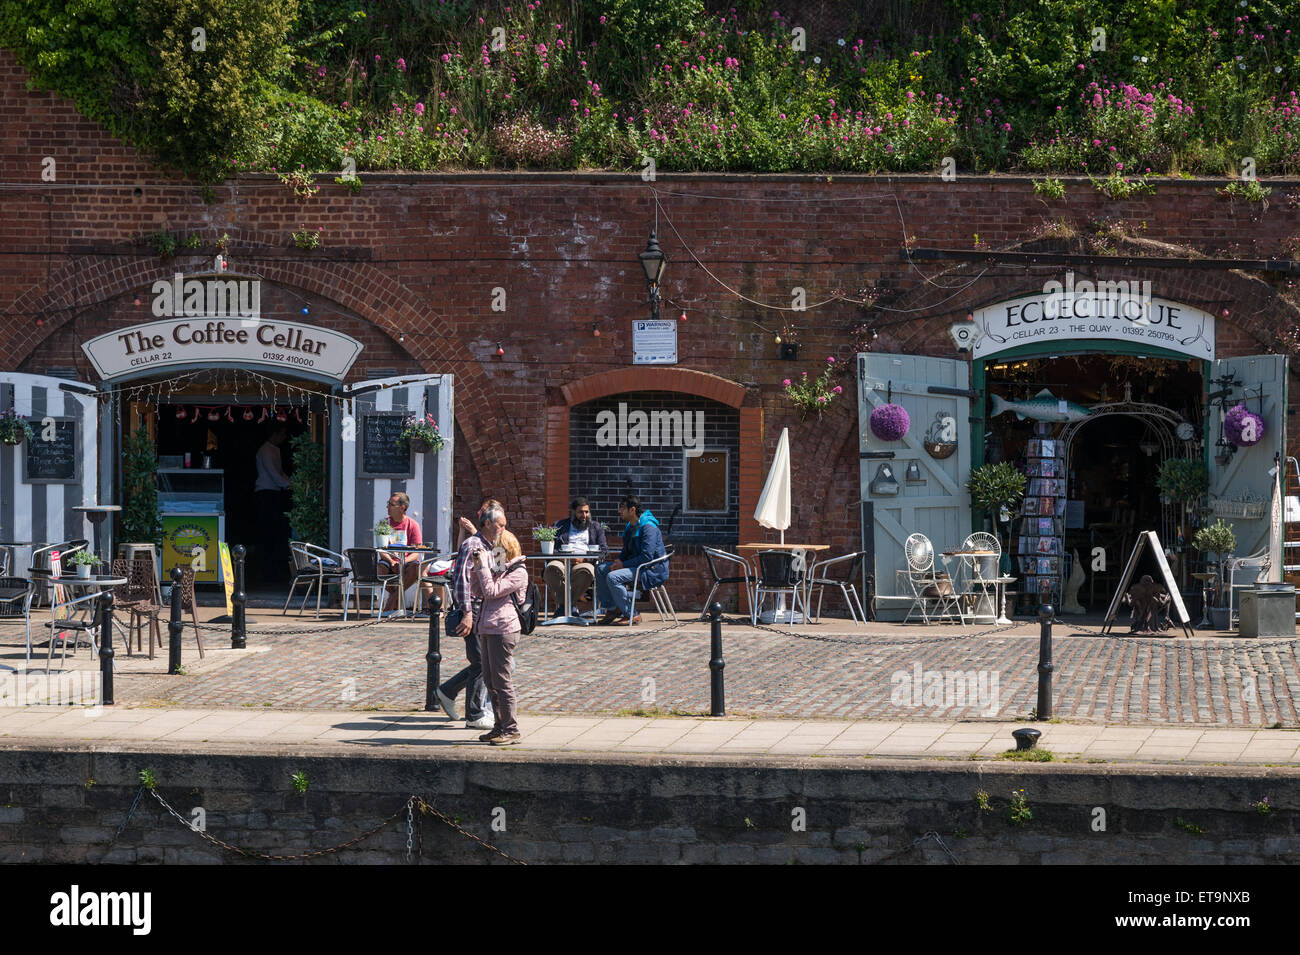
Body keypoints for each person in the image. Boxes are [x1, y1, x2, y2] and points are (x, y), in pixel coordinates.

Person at [435, 499, 505, 729]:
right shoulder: (472, 545)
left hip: (490, 610)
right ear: (486, 523)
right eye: (500, 526)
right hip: (474, 608)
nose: (503, 530)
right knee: (480, 662)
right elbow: (461, 580)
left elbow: (500, 575)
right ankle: (474, 714)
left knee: (486, 661)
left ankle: (447, 691)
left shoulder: (495, 546)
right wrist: (466, 613)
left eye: (505, 525)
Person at [470, 527, 529, 745]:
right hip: (487, 627)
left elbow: (492, 591)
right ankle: (499, 726)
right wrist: (478, 567)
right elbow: (478, 590)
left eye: (497, 550)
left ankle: (511, 729)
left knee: (503, 682)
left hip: (504, 629)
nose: (494, 553)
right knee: (490, 680)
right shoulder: (498, 568)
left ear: (507, 550)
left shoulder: (518, 572)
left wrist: (485, 567)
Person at [596, 495, 668, 626]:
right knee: (601, 569)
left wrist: (623, 565)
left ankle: (632, 614)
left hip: (651, 570)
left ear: (632, 510)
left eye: (622, 508)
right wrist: (619, 561)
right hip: (636, 566)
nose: (619, 511)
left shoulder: (648, 528)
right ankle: (613, 608)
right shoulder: (631, 527)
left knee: (613, 577)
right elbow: (627, 550)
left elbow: (647, 557)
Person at [543, 496, 607, 618]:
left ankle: (564, 608)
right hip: (562, 560)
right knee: (551, 568)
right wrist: (564, 558)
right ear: (573, 512)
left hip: (584, 561)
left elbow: (603, 550)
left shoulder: (595, 527)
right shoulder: (560, 525)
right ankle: (569, 607)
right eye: (580, 512)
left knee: (587, 570)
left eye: (586, 512)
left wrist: (585, 559)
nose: (584, 515)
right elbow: (553, 549)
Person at [376, 491, 427, 609]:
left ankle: (393, 599)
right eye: (388, 503)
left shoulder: (413, 525)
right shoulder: (384, 524)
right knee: (379, 570)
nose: (387, 507)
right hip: (389, 561)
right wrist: (392, 561)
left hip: (407, 561)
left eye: (391, 504)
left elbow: (416, 552)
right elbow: (381, 549)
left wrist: (402, 562)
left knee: (415, 569)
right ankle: (396, 597)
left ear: (402, 508)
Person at [253, 425, 291, 582]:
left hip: (275, 492)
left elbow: (280, 473)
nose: (284, 437)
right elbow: (274, 474)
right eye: (282, 433)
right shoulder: (266, 450)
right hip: (266, 493)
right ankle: (266, 571)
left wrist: (289, 482)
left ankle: (273, 570)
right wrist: (289, 485)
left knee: (275, 532)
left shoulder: (275, 449)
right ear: (275, 433)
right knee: (268, 532)